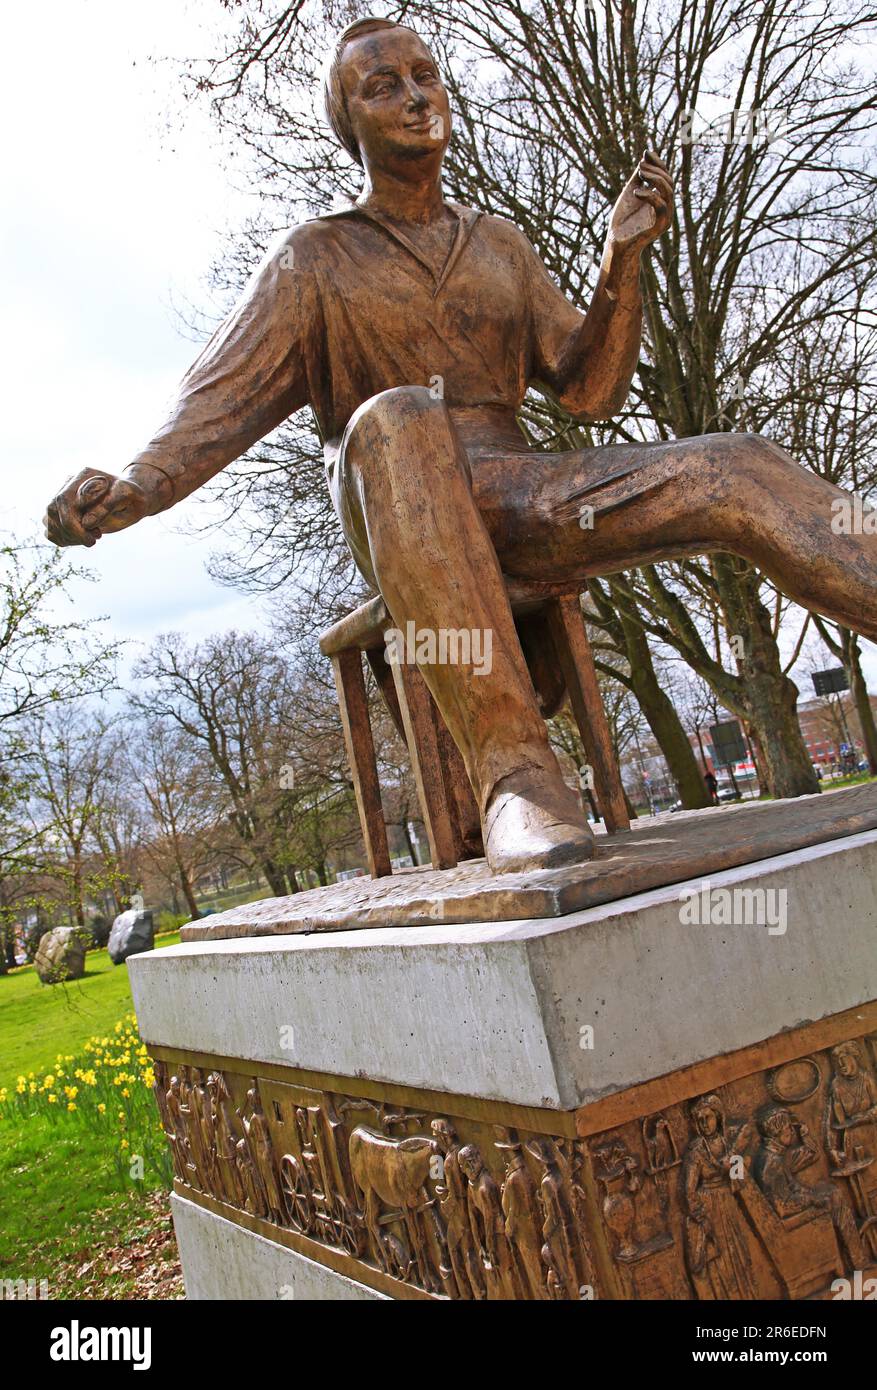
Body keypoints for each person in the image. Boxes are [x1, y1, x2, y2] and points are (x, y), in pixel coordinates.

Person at [43, 16, 877, 876]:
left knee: (736, 463)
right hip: (392, 493)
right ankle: (515, 776)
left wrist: (619, 265)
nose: (413, 96)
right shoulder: (314, 258)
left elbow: (590, 390)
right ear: (349, 124)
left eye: (424, 76)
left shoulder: (498, 246)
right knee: (403, 416)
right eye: (382, 86)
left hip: (524, 488)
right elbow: (216, 403)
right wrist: (136, 487)